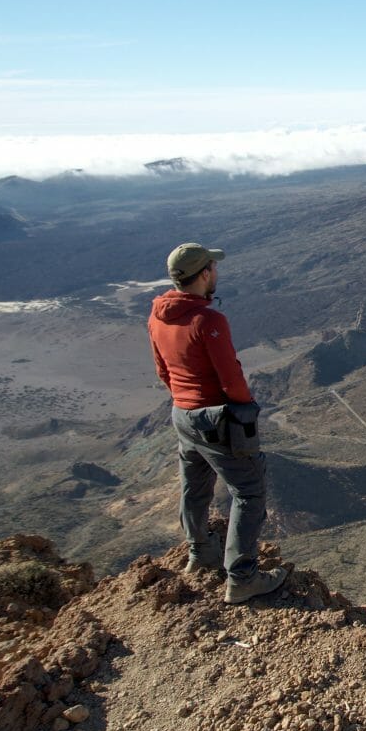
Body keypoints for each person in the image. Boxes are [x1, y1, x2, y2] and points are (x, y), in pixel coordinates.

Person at [147, 242, 287, 604]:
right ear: (205, 273)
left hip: (182, 415)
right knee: (249, 491)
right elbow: (230, 377)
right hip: (214, 419)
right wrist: (245, 412)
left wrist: (185, 402)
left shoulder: (158, 315)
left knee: (194, 488)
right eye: (214, 268)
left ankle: (200, 554)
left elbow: (163, 370)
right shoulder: (208, 320)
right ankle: (241, 578)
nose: (216, 274)